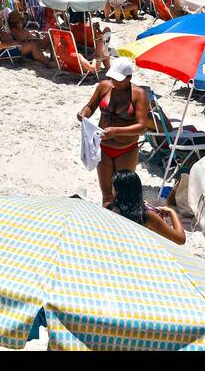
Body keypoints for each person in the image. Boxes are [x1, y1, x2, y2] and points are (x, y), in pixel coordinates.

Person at [78, 59, 149, 206]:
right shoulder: (104, 86)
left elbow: (142, 127)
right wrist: (83, 113)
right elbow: (90, 107)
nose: (114, 82)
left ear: (129, 78)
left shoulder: (138, 94)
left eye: (118, 79)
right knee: (106, 192)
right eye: (112, 78)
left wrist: (116, 131)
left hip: (126, 150)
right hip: (103, 147)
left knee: (123, 193)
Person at [107, 170, 185, 244]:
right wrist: (172, 212)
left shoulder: (110, 208)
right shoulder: (147, 216)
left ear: (116, 191)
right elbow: (180, 239)